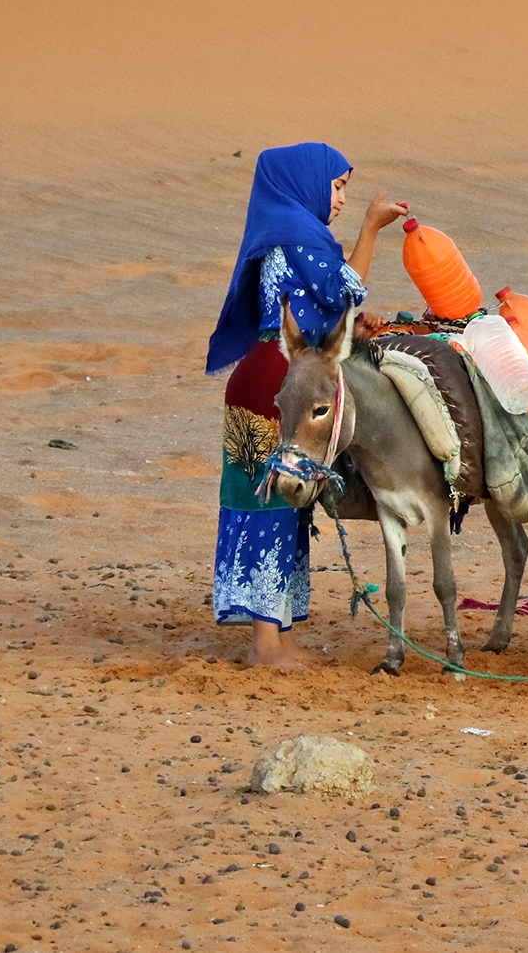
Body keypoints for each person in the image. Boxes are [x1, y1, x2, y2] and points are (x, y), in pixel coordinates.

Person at [205, 143, 407, 668]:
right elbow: (346, 290)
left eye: (344, 190)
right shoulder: (296, 233)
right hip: (279, 382)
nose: (339, 199)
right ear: (303, 183)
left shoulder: (294, 232)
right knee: (269, 503)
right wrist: (369, 230)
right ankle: (266, 645)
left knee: (289, 500)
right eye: (337, 187)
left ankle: (280, 635)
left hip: (279, 376)